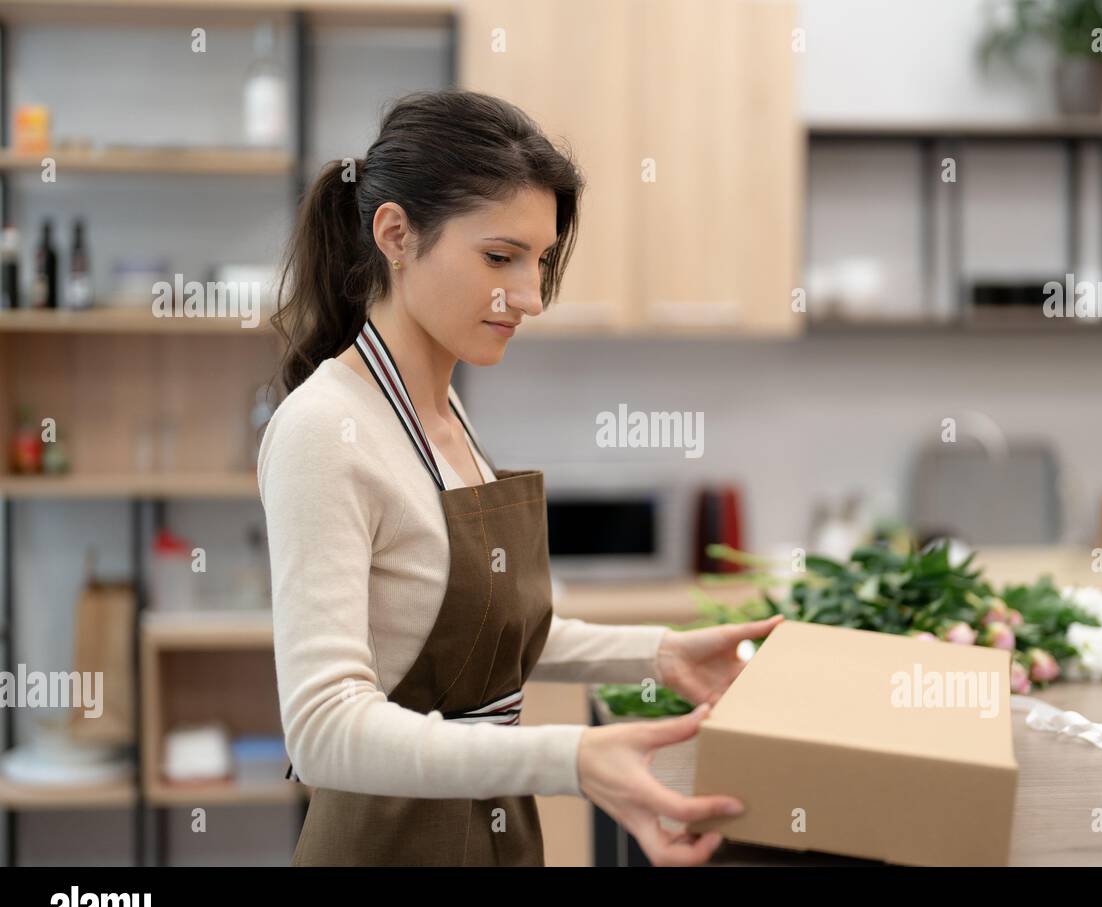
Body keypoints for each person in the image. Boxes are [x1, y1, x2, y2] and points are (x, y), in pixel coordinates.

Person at [258, 89, 783, 866]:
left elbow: (486, 629)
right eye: (500, 257)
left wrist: (659, 652)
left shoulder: (445, 413)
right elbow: (325, 728)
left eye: (539, 261)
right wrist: (567, 758)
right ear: (396, 234)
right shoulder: (323, 430)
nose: (531, 297)